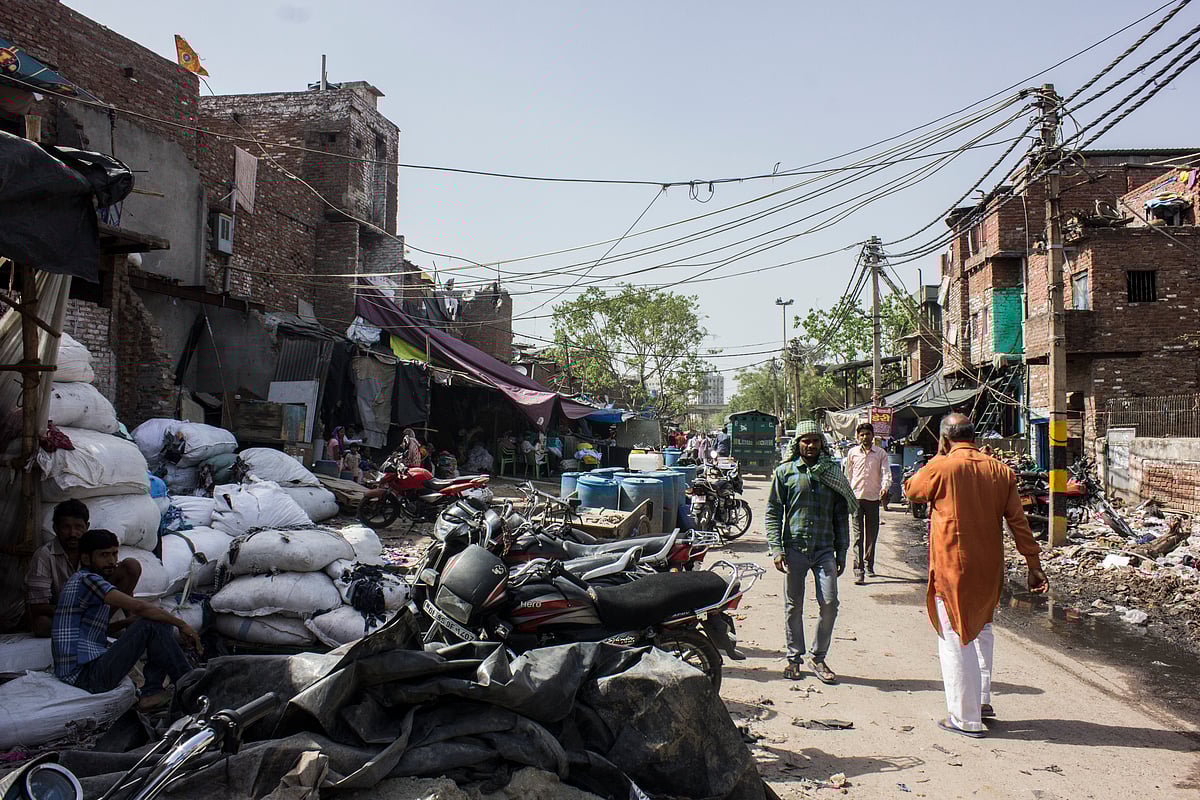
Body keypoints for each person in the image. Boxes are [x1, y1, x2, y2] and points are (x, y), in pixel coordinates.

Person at [903, 414, 1048, 738]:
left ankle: (965, 718)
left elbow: (912, 490)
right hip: (989, 569)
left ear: (945, 438)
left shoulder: (942, 466)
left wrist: (940, 456)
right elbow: (1018, 521)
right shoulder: (999, 470)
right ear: (974, 434)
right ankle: (981, 701)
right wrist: (1033, 563)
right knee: (982, 631)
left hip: (954, 567)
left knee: (956, 636)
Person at [52, 529, 202, 711]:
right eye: (103, 555)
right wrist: (182, 624)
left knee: (155, 618)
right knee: (155, 619)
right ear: (86, 559)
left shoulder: (85, 582)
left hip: (88, 672)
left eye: (114, 554)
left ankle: (154, 692)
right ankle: (192, 687)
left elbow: (94, 632)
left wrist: (126, 624)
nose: (111, 561)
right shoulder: (87, 580)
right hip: (86, 677)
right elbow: (139, 607)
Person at [765, 420, 858, 685]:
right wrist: (776, 549)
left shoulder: (832, 473)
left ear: (821, 443)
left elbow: (840, 516)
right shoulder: (786, 472)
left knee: (829, 603)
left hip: (824, 550)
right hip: (794, 548)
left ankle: (818, 657)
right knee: (793, 606)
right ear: (798, 443)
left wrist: (842, 551)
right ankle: (794, 658)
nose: (810, 445)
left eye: (815, 440)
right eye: (805, 440)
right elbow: (773, 512)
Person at [25, 499, 141, 637]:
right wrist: (77, 612)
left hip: (98, 612)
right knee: (42, 624)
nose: (73, 533)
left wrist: (132, 617)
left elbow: (116, 582)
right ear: (55, 528)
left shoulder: (96, 550)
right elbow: (37, 607)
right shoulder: (44, 555)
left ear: (87, 526)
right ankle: (102, 629)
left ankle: (105, 626)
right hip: (65, 615)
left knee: (131, 566)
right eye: (66, 527)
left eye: (78, 527)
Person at [843, 422, 893, 585]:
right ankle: (859, 570)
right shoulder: (852, 453)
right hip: (856, 498)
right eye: (862, 434)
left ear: (873, 436)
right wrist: (846, 494)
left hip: (873, 498)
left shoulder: (880, 454)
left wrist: (885, 487)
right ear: (858, 437)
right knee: (858, 536)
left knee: (872, 534)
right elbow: (847, 475)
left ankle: (868, 564)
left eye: (868, 434)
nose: (865, 437)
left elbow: (886, 473)